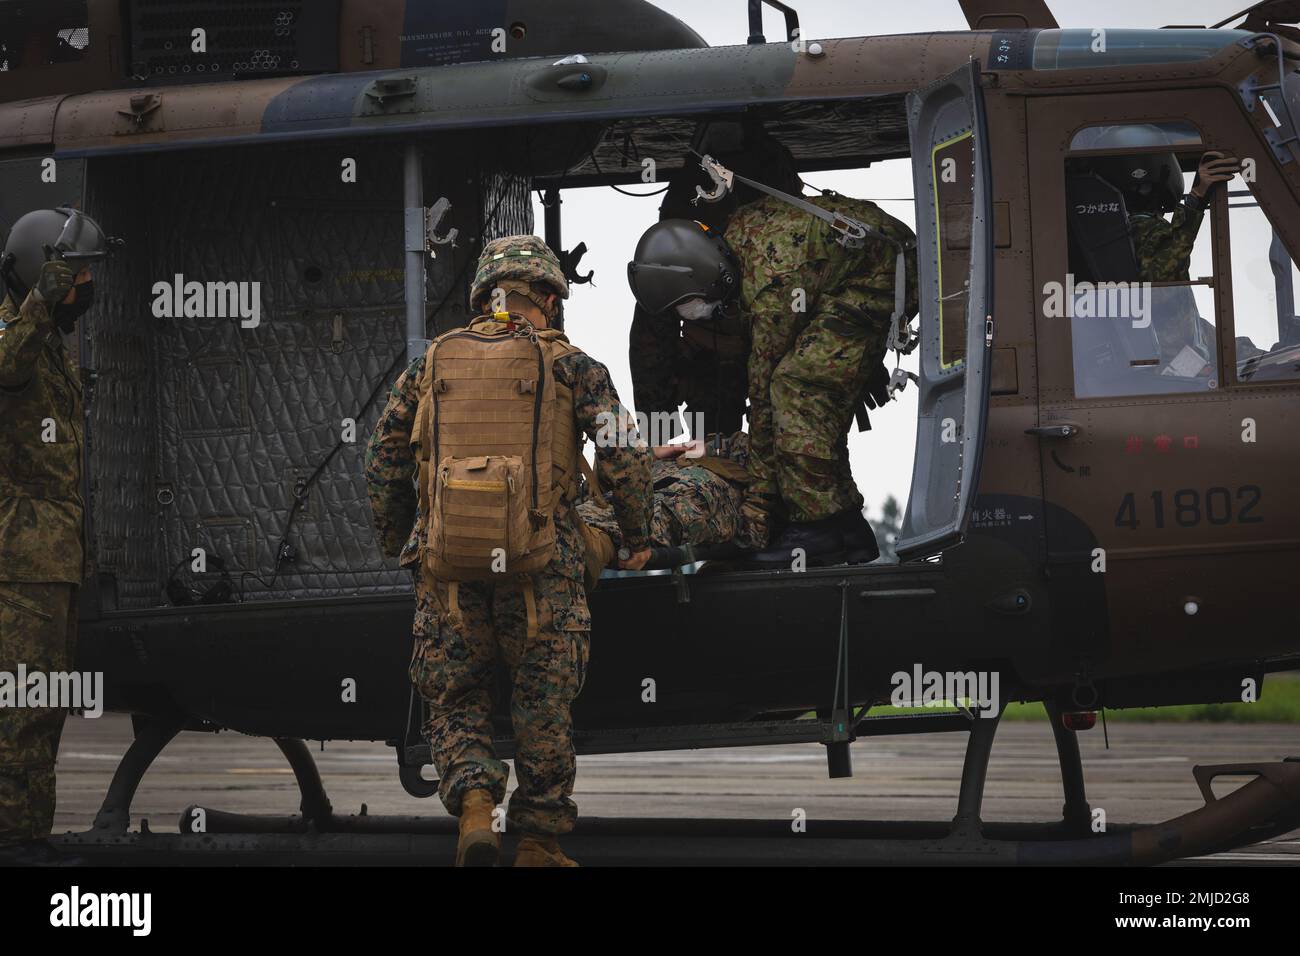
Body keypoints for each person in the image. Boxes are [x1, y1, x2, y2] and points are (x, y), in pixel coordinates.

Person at [365, 235, 652, 867]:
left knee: (457, 697)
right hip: (540, 571)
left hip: (448, 574)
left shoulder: (430, 363)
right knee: (540, 703)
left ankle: (474, 805)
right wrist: (635, 537)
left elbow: (383, 461)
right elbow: (624, 456)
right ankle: (539, 841)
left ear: (482, 298)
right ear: (549, 297)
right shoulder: (572, 365)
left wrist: (402, 542)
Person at [629, 150, 918, 567]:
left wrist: (756, 517)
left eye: (693, 306)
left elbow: (764, 402)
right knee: (804, 385)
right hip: (860, 263)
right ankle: (847, 527)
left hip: (884, 274)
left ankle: (822, 526)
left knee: (796, 386)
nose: (693, 318)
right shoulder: (731, 240)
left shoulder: (770, 291)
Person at [0, 207, 117, 865]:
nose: (82, 291)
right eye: (72, 276)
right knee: (18, 703)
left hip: (54, 560)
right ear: (40, 272)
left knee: (45, 704)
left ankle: (30, 834)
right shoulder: (11, 332)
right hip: (18, 562)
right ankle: (12, 839)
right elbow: (5, 369)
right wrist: (43, 299)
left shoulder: (48, 345)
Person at [577, 433, 749, 570]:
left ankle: (580, 540)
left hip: (702, 491)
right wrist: (653, 454)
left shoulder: (714, 489)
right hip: (668, 475)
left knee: (663, 515)